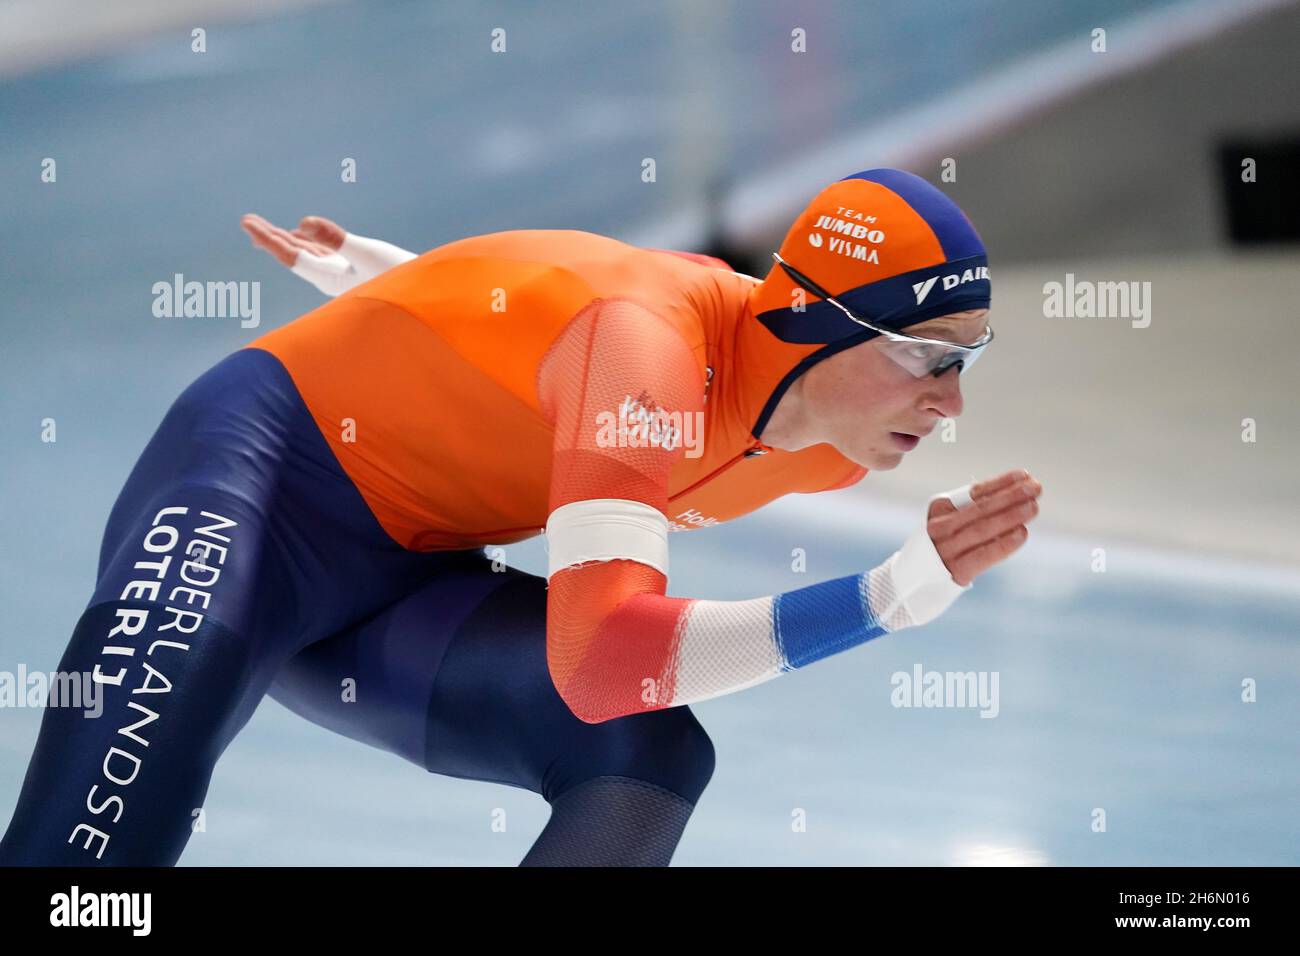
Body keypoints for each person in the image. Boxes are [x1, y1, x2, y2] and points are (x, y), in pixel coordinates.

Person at [0, 168, 1040, 866]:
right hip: (258, 492)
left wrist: (389, 281)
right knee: (90, 858)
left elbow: (535, 334)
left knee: (644, 755)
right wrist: (884, 599)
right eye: (930, 355)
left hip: (408, 580)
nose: (951, 402)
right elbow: (600, 655)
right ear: (822, 322)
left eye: (970, 362)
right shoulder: (643, 350)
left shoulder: (823, 458)